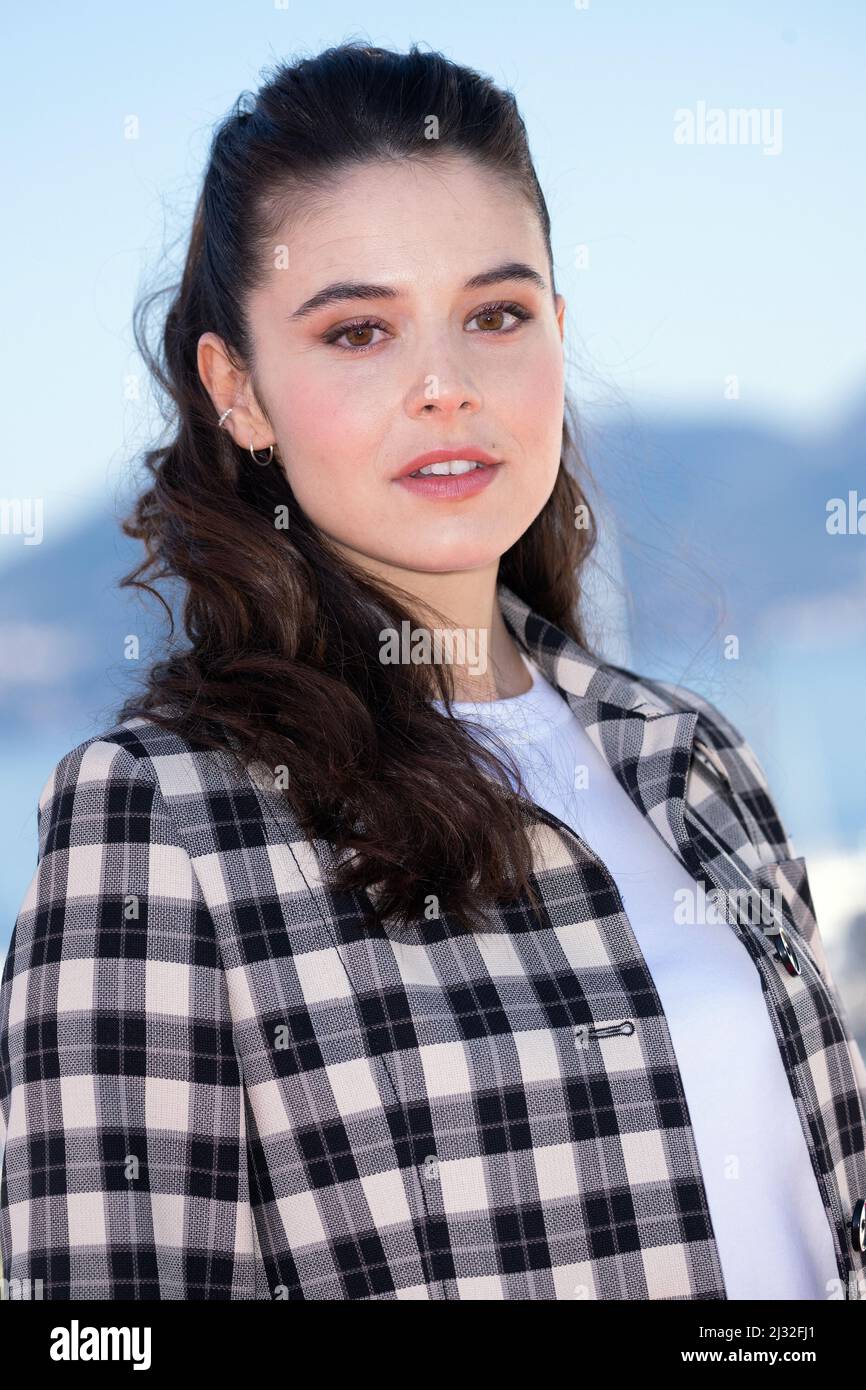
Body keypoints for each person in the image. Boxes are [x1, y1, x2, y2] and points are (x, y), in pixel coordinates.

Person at [1, 41, 864, 1302]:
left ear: (556, 335)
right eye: (358, 330)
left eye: (495, 315)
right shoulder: (160, 821)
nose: (444, 388)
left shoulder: (692, 756)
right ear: (237, 390)